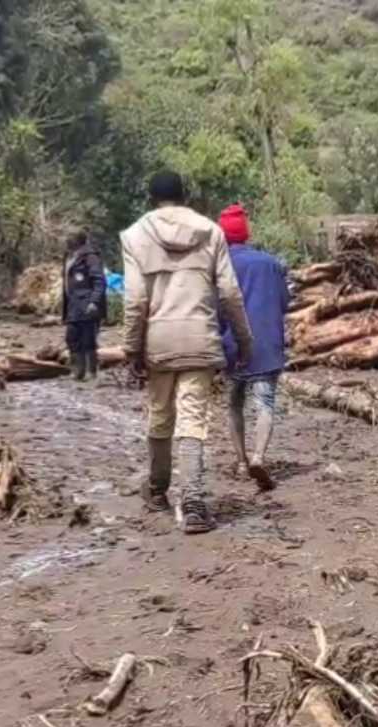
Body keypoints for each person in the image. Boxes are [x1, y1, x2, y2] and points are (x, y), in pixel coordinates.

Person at [120, 172, 254, 534]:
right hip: (200, 337)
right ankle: (194, 503)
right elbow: (229, 293)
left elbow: (134, 300)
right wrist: (244, 339)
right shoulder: (211, 232)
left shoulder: (135, 236)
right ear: (185, 195)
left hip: (158, 341)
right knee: (193, 420)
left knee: (160, 416)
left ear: (152, 198)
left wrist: (132, 348)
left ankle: (158, 489)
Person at [216, 204, 289, 493]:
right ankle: (259, 456)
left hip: (232, 345)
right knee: (265, 404)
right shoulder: (271, 263)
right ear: (246, 233)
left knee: (234, 403)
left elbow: (215, 307)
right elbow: (285, 302)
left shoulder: (219, 265)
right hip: (267, 345)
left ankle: (241, 460)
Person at [60, 230, 106, 381]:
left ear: (78, 240)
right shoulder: (69, 257)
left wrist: (94, 301)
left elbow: (99, 281)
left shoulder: (90, 257)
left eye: (68, 237)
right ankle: (77, 370)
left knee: (88, 339)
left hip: (87, 303)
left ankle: (91, 371)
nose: (65, 240)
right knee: (71, 337)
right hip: (73, 303)